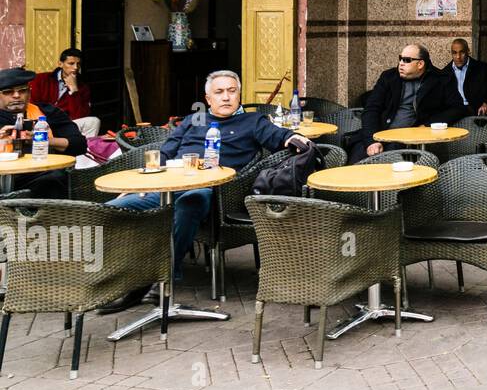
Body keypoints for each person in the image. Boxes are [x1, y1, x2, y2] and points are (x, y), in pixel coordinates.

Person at [99, 70, 311, 311]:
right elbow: (165, 153)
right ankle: (114, 281)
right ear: (208, 99)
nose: (226, 97)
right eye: (219, 92)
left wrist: (294, 138)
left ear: (239, 95)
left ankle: (158, 280)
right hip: (168, 184)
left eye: (232, 91)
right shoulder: (193, 121)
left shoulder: (252, 122)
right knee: (110, 211)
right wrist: (139, 182)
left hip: (214, 192)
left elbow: (280, 136)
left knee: (191, 203)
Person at [350, 44, 464, 163]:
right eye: (400, 59)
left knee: (392, 165)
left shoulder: (441, 79)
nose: (401, 63)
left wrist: (428, 125)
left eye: (406, 60)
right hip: (379, 134)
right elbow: (371, 109)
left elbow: (458, 107)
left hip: (411, 142)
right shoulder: (389, 77)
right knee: (356, 163)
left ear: (420, 64)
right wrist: (371, 141)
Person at [0, 66, 90, 198]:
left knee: (55, 179)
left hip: (39, 176)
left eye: (22, 91)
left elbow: (79, 144)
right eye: (8, 92)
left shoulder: (48, 112)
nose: (16, 95)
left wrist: (41, 140)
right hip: (3, 177)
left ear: (29, 92)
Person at [29, 48, 99, 138]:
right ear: (60, 64)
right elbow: (32, 104)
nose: (75, 68)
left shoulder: (82, 87)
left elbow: (79, 116)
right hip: (40, 123)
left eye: (78, 64)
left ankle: (83, 150)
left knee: (94, 121)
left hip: (64, 125)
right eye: (71, 63)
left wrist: (73, 91)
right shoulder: (41, 79)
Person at [443, 38, 487, 118]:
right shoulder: (445, 73)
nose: (458, 57)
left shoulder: (483, 69)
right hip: (454, 111)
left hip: (477, 110)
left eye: (462, 52)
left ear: (468, 51)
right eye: (454, 53)